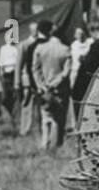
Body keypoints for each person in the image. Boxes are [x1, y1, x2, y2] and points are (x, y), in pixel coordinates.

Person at [31, 21, 72, 149]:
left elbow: (35, 69)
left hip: (44, 88)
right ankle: (56, 143)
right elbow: (66, 72)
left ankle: (45, 142)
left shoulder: (40, 48)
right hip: (60, 88)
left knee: (45, 116)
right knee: (58, 117)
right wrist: (55, 83)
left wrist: (41, 85)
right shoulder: (65, 50)